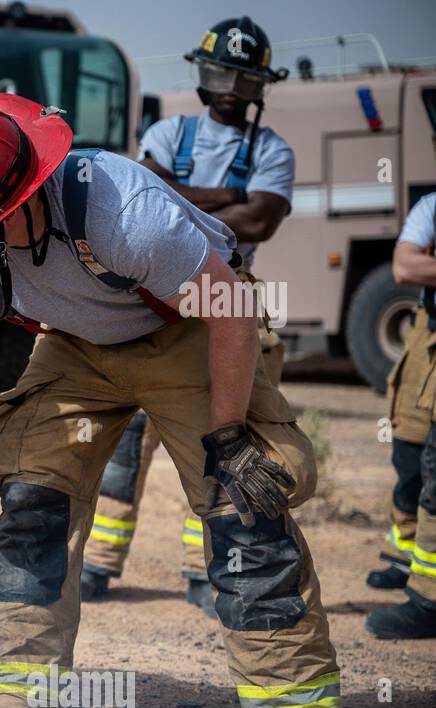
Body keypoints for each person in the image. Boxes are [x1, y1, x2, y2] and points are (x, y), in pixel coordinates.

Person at [0, 89, 369, 708]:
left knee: (245, 509)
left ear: (13, 207)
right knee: (33, 509)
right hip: (78, 351)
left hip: (190, 335)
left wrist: (230, 433)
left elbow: (232, 310)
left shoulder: (123, 213)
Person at [82, 16, 293, 614]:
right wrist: (229, 196)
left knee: (217, 438)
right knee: (127, 443)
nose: (229, 86)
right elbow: (146, 191)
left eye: (242, 77)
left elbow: (260, 222)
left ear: (260, 86)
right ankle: (99, 563)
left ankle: (206, 572)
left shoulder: (273, 149)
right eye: (218, 71)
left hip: (225, 303)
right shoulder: (170, 130)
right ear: (202, 75)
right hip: (153, 304)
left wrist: (182, 191)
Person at [364, 192, 436, 639]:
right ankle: (404, 557)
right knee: (409, 458)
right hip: (427, 336)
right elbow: (405, 267)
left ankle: (427, 595)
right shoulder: (431, 205)